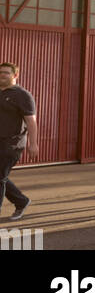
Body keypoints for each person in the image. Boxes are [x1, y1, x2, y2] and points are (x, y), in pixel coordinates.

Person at [0, 61, 38, 222]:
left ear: (15, 75)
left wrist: (33, 144)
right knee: (1, 176)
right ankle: (21, 201)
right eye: (0, 72)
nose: (2, 75)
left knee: (0, 177)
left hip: (13, 144)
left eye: (6, 73)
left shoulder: (22, 95)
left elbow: (31, 121)